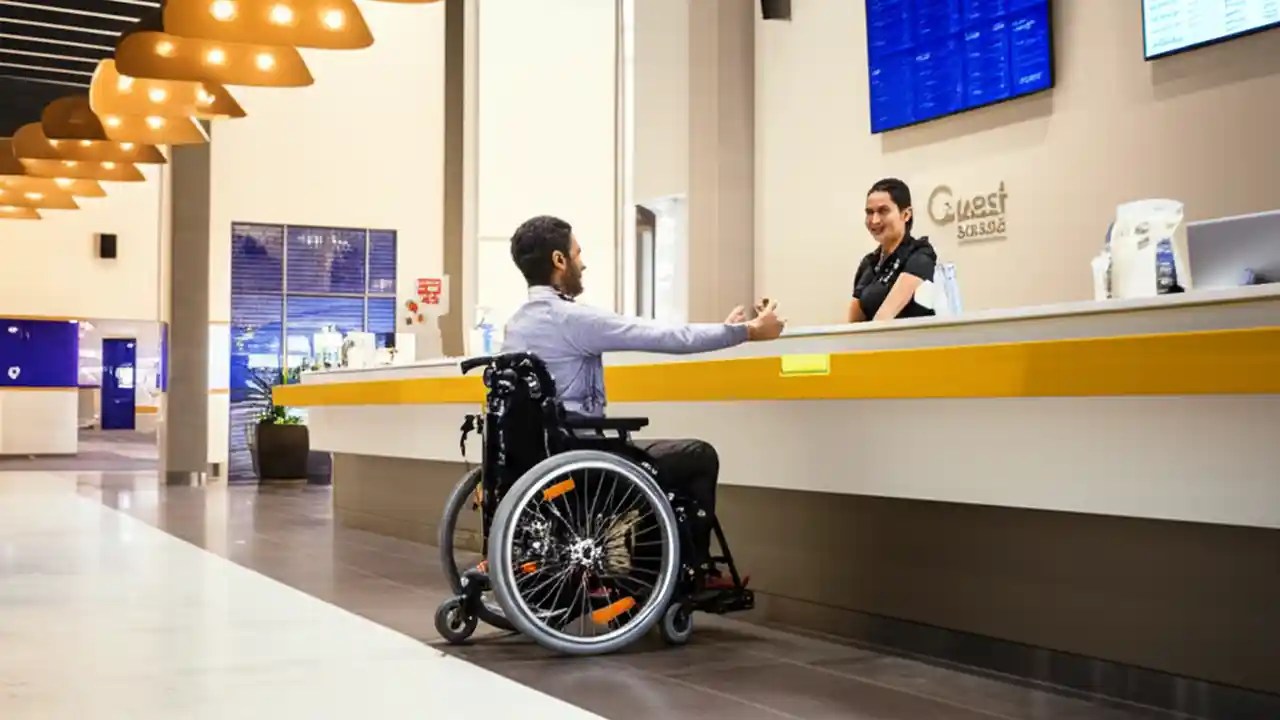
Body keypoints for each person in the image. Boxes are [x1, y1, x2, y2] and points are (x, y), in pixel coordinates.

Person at [500, 214, 785, 588]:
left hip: (537, 458)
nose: (582, 263)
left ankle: (652, 574)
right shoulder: (571, 319)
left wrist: (721, 327)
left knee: (651, 459)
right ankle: (687, 573)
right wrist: (745, 332)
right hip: (579, 456)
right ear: (559, 260)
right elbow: (663, 336)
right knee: (696, 456)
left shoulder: (516, 324)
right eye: (577, 253)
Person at [848, 177, 939, 322]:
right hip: (873, 342)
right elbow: (852, 326)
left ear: (906, 214)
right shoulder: (869, 263)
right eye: (869, 212)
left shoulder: (919, 254)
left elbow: (884, 319)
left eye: (883, 211)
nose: (875, 220)